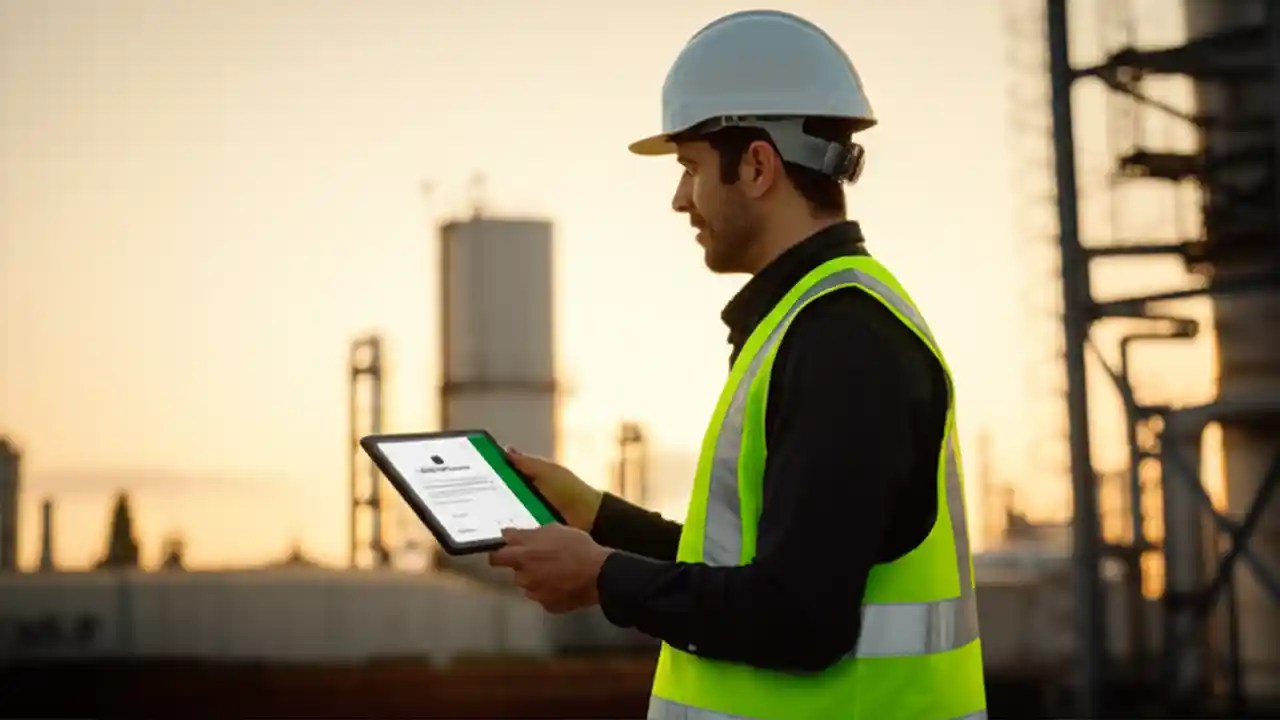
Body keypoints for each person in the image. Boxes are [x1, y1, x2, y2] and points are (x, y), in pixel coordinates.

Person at [488, 10, 987, 720]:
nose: (679, 199)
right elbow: (753, 571)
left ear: (756, 166)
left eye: (690, 168)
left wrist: (604, 579)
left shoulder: (842, 342)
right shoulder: (809, 326)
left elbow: (800, 617)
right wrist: (599, 517)